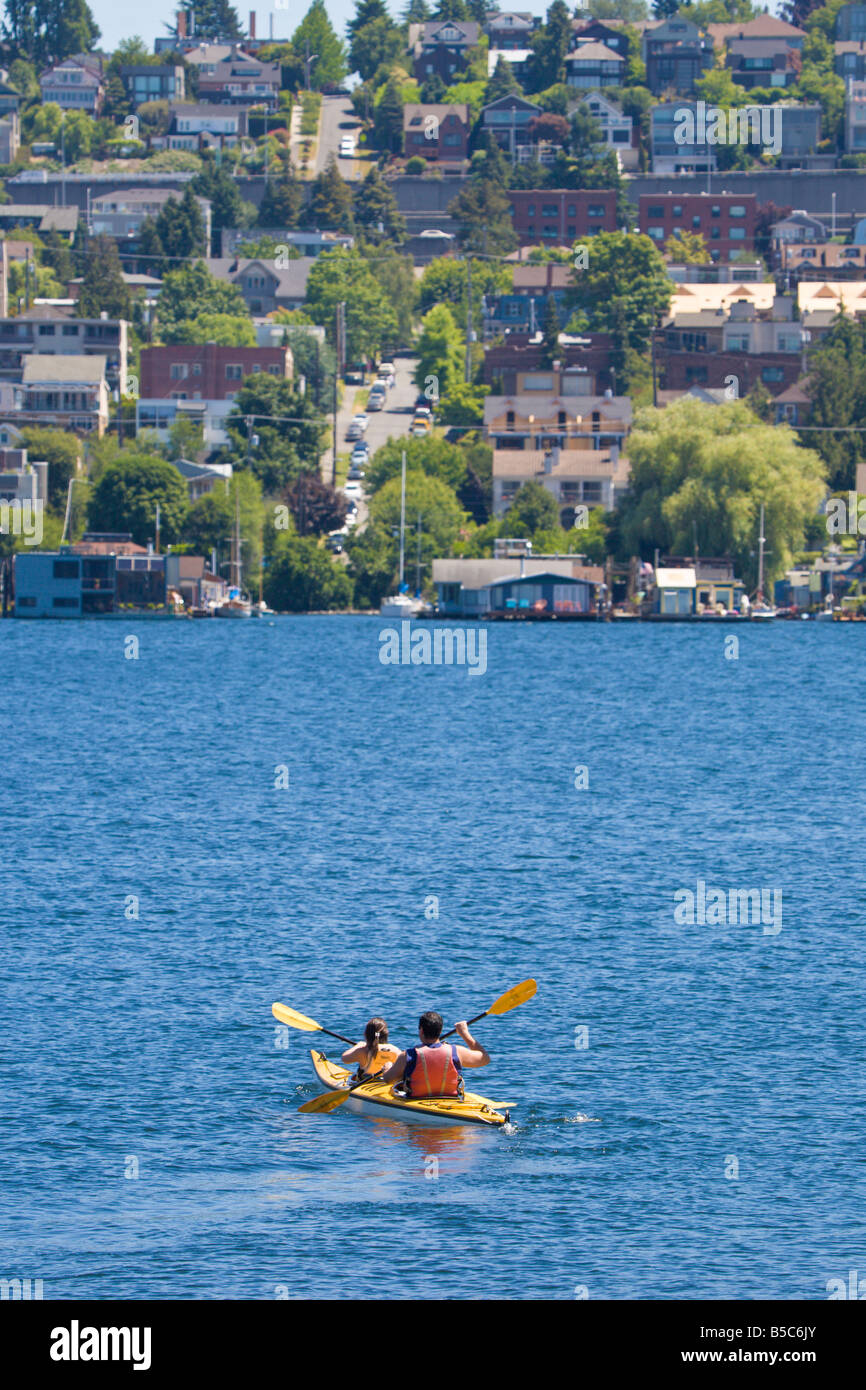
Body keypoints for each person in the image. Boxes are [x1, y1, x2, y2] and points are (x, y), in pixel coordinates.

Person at [380, 1011, 490, 1099]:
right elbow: (485, 1059)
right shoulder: (457, 1051)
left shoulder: (408, 1055)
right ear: (440, 1030)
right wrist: (465, 1033)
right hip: (450, 1101)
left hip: (417, 1102)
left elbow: (387, 1079)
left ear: (421, 1031)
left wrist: (387, 1068)